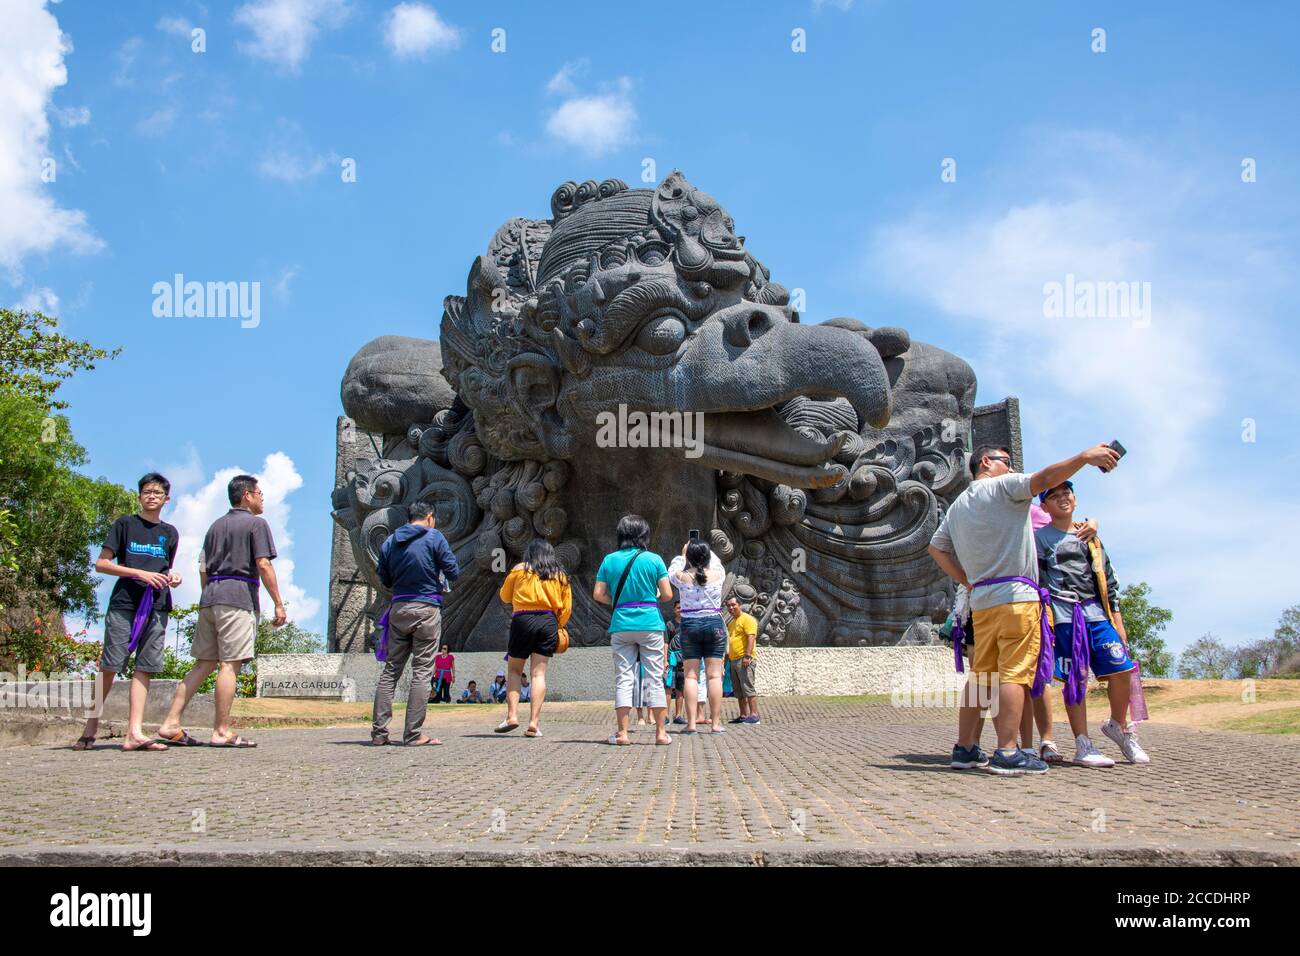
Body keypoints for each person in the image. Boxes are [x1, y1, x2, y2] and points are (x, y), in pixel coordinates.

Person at [928, 442, 1120, 776]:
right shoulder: (1003, 485)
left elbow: (936, 548)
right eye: (1008, 462)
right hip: (1017, 596)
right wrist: (1084, 458)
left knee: (982, 675)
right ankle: (1007, 751)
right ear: (986, 462)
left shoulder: (958, 505)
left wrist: (968, 581)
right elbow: (1046, 478)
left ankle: (965, 748)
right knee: (1015, 673)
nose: (1013, 468)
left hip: (983, 600)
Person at [159, 474, 287, 749]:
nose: (262, 498)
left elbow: (202, 567)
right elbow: (263, 564)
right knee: (230, 664)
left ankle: (171, 722)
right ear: (247, 496)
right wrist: (277, 601)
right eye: (259, 493)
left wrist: (210, 594)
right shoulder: (257, 524)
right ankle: (221, 730)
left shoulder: (215, 526)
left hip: (210, 597)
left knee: (203, 664)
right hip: (238, 597)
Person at [1036, 480, 1150, 766]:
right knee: (1075, 679)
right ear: (1044, 506)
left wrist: (1119, 622)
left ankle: (1118, 725)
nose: (1063, 499)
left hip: (1097, 613)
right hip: (1064, 615)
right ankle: (1082, 743)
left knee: (1122, 668)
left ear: (1075, 499)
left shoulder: (1091, 536)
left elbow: (1108, 581)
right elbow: (1038, 581)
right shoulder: (1040, 539)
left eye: (1067, 493)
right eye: (1054, 496)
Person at [74, 473, 181, 752]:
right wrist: (139, 573)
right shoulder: (124, 525)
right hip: (124, 603)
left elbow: (163, 568)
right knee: (110, 665)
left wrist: (172, 577)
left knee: (145, 667)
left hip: (157, 605)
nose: (152, 496)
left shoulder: (170, 533)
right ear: (139, 496)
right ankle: (90, 726)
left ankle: (134, 732)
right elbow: (102, 563)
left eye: (157, 492)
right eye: (146, 491)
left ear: (166, 499)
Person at [368, 500, 460, 747]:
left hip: (398, 608)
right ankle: (412, 734)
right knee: (422, 671)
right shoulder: (434, 537)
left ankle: (379, 733)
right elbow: (453, 571)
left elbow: (383, 576)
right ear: (430, 517)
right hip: (427, 609)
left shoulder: (390, 541)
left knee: (391, 671)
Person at [594, 514, 673, 746]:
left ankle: (623, 734)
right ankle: (660, 733)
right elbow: (667, 594)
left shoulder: (609, 560)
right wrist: (651, 597)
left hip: (621, 623)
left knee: (624, 678)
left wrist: (619, 603)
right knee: (655, 678)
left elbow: (598, 594)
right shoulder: (654, 559)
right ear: (644, 535)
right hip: (650, 623)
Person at [496, 538, 571, 738]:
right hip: (548, 621)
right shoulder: (559, 574)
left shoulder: (520, 569)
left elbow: (504, 596)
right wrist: (559, 625)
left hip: (522, 619)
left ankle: (512, 716)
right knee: (539, 674)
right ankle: (533, 723)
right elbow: (566, 606)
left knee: (514, 670)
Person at [669, 540, 728, 734]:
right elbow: (717, 562)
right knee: (714, 676)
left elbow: (672, 570)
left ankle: (692, 723)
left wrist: (683, 554)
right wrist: (707, 551)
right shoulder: (718, 575)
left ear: (690, 558)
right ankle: (716, 723)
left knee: (690, 676)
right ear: (708, 556)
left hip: (689, 626)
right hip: (714, 624)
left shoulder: (682, 577)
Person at [725, 595, 760, 724]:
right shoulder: (732, 622)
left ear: (739, 605)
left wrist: (747, 656)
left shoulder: (747, 619)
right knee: (738, 690)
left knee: (748, 687)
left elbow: (751, 638)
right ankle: (744, 715)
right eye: (729, 606)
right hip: (733, 660)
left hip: (744, 659)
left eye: (733, 605)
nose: (731, 608)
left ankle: (754, 715)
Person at [664, 602, 687, 724]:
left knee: (680, 688)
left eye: (682, 608)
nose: (680, 610)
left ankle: (678, 715)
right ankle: (665, 716)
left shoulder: (688, 624)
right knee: (668, 687)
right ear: (674, 610)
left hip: (684, 661)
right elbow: (665, 642)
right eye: (678, 608)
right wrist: (665, 660)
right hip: (671, 661)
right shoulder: (669, 624)